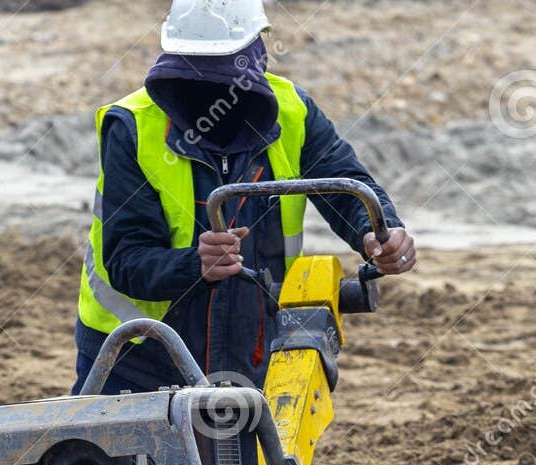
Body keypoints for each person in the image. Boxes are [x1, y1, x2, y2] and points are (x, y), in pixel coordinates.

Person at [75, 0, 415, 393]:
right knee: (115, 456)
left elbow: (344, 184)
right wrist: (193, 264)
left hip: (250, 346)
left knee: (250, 454)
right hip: (135, 356)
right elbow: (126, 259)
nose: (210, 86)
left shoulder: (293, 112)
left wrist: (378, 232)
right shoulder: (133, 127)